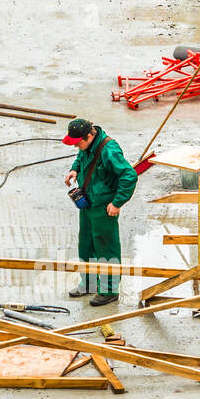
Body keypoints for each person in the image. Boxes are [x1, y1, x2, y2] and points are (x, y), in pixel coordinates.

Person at [62, 118, 137, 306]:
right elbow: (81, 156)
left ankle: (109, 290)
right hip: (87, 204)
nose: (77, 146)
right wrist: (74, 169)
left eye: (79, 142)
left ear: (89, 135)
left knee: (106, 247)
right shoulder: (86, 144)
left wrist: (117, 202)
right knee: (86, 244)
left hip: (104, 207)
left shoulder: (109, 150)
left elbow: (129, 175)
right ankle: (88, 283)